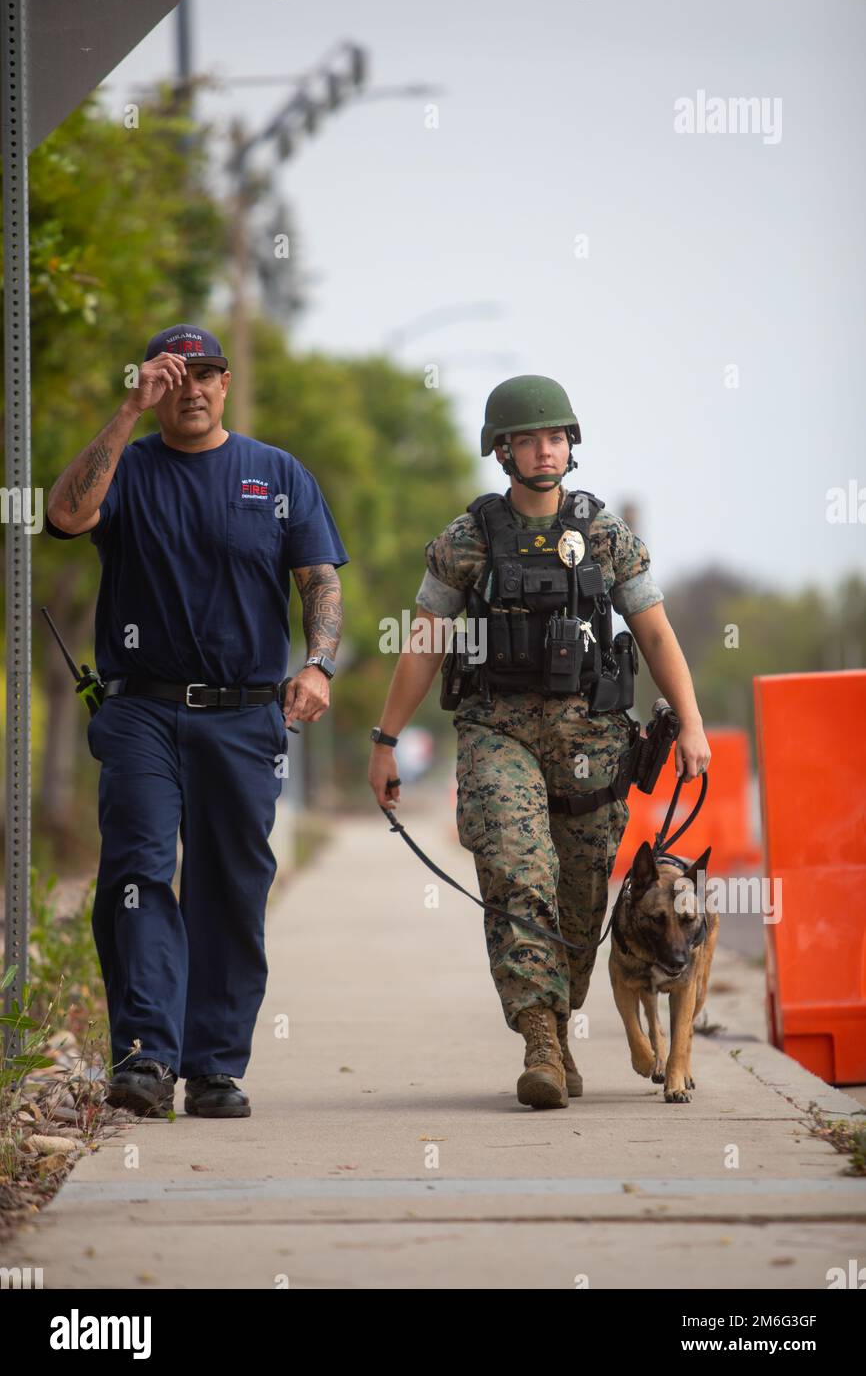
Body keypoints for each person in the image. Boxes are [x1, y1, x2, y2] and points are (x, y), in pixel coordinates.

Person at [368, 375, 710, 1110]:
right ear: (502, 450)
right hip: (498, 732)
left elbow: (653, 631)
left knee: (584, 907)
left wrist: (692, 722)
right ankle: (541, 1045)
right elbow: (424, 644)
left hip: (593, 743)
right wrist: (385, 741)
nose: (544, 449)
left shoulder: (606, 536)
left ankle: (559, 1014)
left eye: (555, 437)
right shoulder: (466, 542)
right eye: (528, 438)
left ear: (571, 446)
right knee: (518, 875)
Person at [45, 324, 349, 1119]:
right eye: (175, 374)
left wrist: (317, 663)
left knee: (231, 889)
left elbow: (318, 578)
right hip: (141, 708)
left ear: (222, 384)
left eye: (206, 373)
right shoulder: (130, 466)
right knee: (140, 875)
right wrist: (124, 412)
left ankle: (214, 1065)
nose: (193, 387)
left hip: (244, 718)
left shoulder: (275, 474)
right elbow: (67, 516)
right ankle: (146, 1055)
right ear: (155, 382)